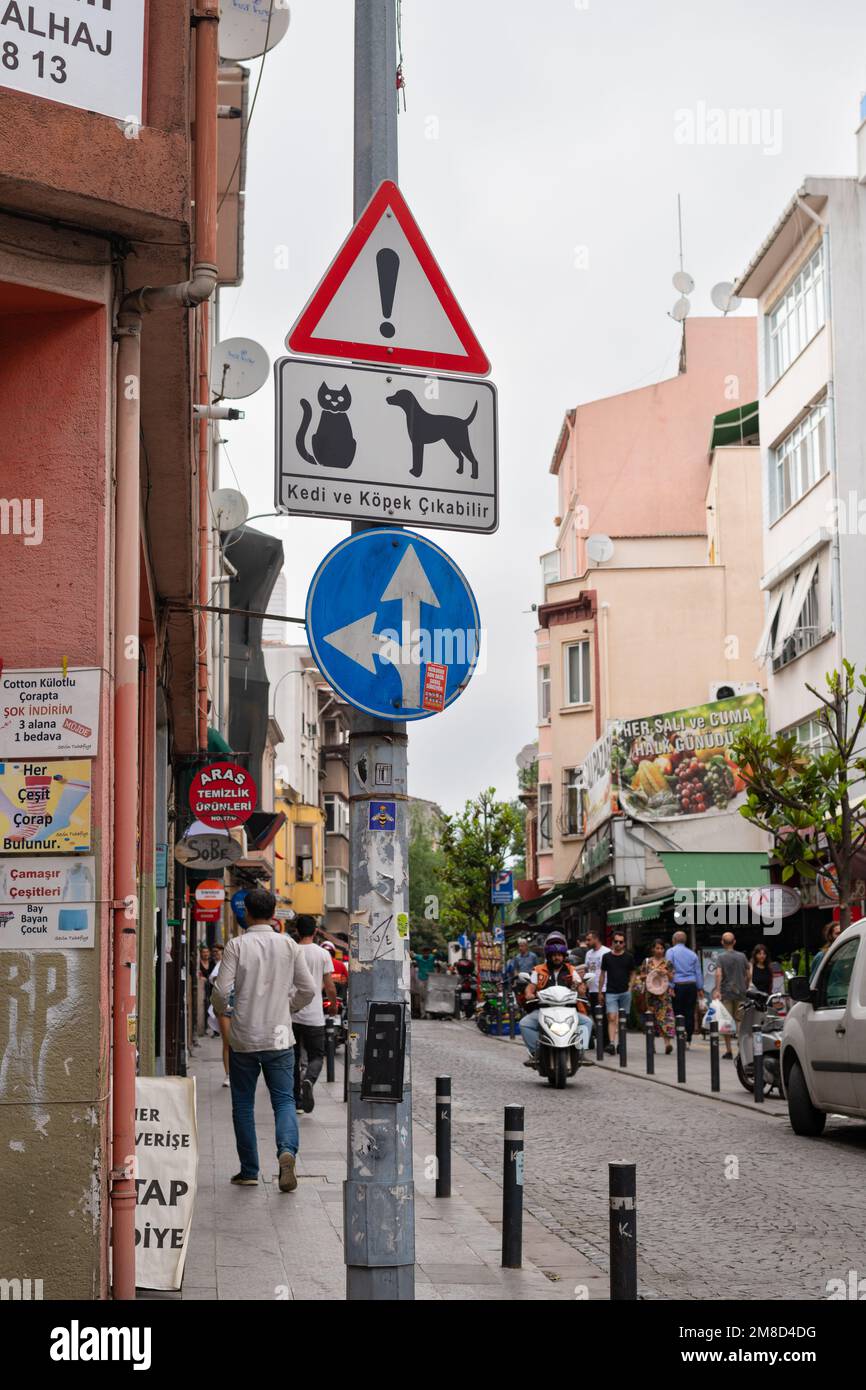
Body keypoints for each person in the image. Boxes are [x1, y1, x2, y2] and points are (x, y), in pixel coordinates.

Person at [211, 887, 316, 1191]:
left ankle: (249, 1170)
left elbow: (220, 991)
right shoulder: (289, 945)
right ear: (273, 914)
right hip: (280, 1035)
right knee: (283, 1100)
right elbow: (308, 989)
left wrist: (224, 1009)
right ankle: (286, 1151)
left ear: (246, 913)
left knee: (243, 1104)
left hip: (244, 1035)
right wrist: (289, 1006)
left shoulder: (237, 945)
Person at [519, 932, 592, 1066]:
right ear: (549, 956)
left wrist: (581, 988)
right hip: (544, 1009)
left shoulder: (571, 970)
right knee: (524, 1024)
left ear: (564, 956)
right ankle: (536, 1053)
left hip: (568, 1009)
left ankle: (581, 1053)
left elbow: (580, 987)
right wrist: (529, 994)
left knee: (586, 1022)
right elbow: (531, 986)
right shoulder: (538, 970)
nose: (557, 958)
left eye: (559, 955)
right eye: (554, 955)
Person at [292, 916, 337, 1114]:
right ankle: (309, 1079)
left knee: (291, 1058)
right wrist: (333, 1005)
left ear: (297, 931)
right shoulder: (322, 954)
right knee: (317, 1055)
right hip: (314, 1016)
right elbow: (330, 986)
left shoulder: (291, 951)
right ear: (316, 931)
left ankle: (297, 1102)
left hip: (291, 1013)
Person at [713, 931, 751, 1060]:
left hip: (726, 993)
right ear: (734, 942)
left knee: (726, 1021)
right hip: (741, 992)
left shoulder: (721, 957)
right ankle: (741, 1049)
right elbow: (749, 973)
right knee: (740, 1020)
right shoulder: (742, 956)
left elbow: (718, 974)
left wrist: (717, 990)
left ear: (722, 943)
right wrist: (746, 985)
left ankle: (729, 1050)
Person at [666, 930, 704, 1045]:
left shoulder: (671, 952)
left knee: (678, 1011)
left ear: (674, 940)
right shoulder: (692, 954)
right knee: (690, 1011)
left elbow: (669, 969)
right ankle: (689, 1037)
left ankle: (681, 1034)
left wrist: (670, 986)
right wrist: (700, 988)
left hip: (678, 985)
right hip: (691, 985)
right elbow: (698, 972)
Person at [600, 932, 636, 1055]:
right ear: (612, 942)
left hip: (625, 992)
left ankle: (621, 1043)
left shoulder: (629, 957)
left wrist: (630, 987)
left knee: (622, 1019)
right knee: (611, 1017)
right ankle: (611, 1043)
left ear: (624, 943)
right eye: (616, 941)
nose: (618, 944)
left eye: (621, 942)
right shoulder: (606, 957)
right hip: (611, 991)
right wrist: (600, 992)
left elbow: (633, 973)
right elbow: (602, 974)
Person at [639, 939, 676, 1054]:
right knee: (652, 1020)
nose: (659, 950)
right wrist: (649, 975)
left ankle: (667, 1044)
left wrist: (666, 973)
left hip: (664, 996)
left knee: (666, 1019)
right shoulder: (647, 962)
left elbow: (672, 978)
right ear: (653, 949)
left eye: (661, 948)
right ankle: (652, 1045)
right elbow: (641, 976)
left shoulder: (667, 963)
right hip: (650, 995)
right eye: (657, 948)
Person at [207, 944, 232, 1087]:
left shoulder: (246, 963)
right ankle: (228, 1074)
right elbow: (214, 979)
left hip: (241, 1006)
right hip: (225, 1006)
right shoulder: (222, 964)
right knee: (227, 1042)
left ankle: (240, 1072)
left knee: (241, 1043)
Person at [583, 928, 610, 1022]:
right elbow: (587, 970)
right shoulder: (588, 954)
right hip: (592, 990)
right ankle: (599, 1037)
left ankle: (606, 1037)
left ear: (596, 939)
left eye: (589, 940)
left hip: (604, 989)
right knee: (595, 1016)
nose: (586, 942)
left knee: (604, 1017)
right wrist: (586, 985)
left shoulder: (606, 952)